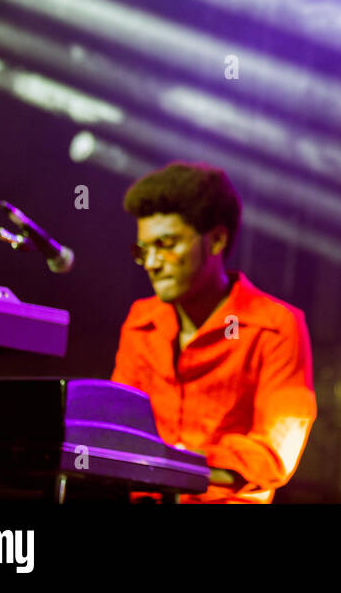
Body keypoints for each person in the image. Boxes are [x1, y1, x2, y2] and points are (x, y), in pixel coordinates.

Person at [111, 161, 317, 503]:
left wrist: (173, 468)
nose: (151, 263)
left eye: (166, 244)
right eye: (143, 250)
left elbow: (271, 454)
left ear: (217, 240)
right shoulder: (140, 319)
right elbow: (117, 425)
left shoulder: (277, 325)